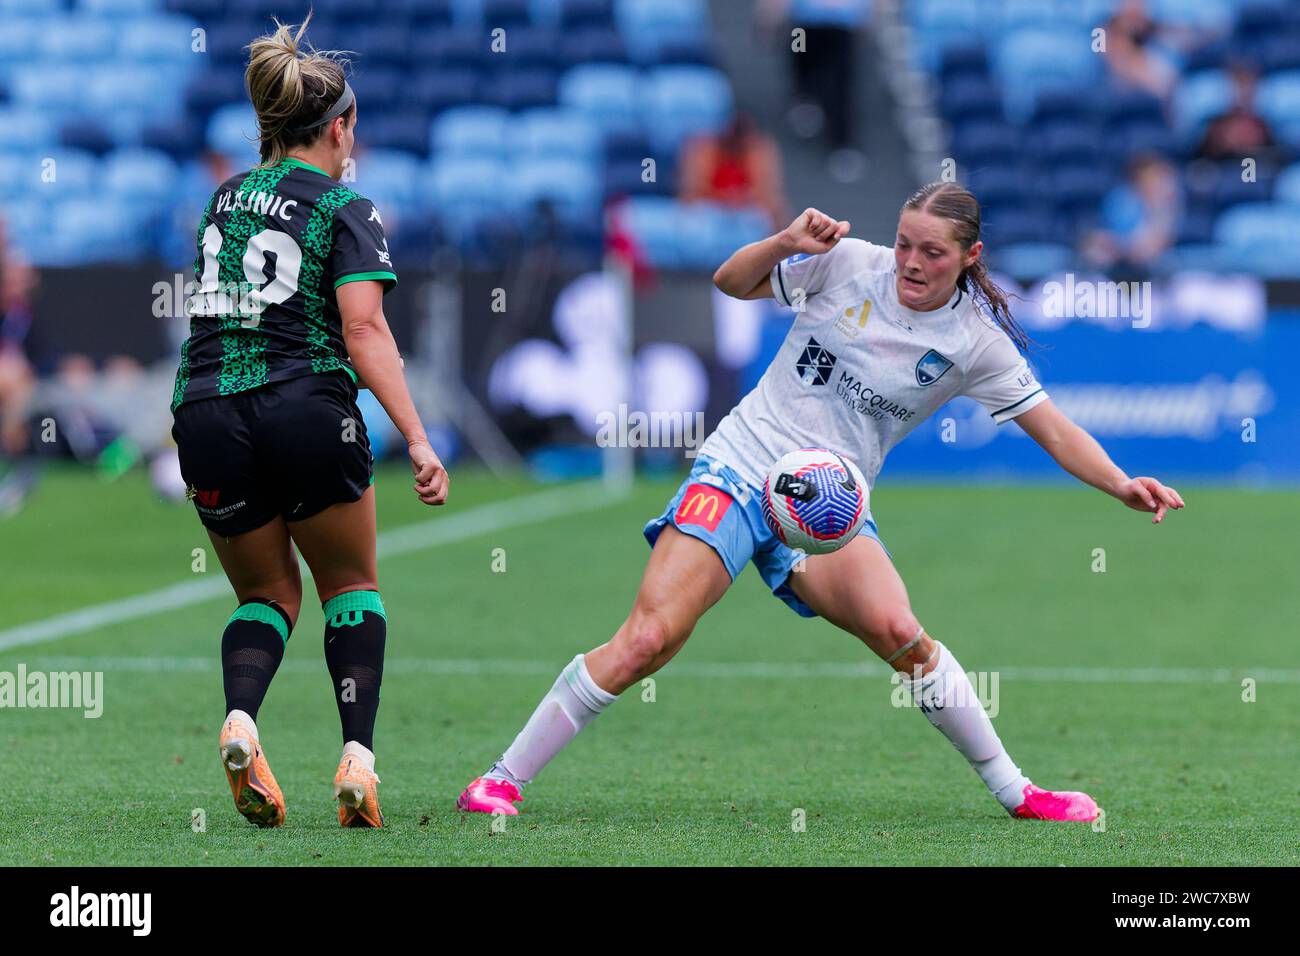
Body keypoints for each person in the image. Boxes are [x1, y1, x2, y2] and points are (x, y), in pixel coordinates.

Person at [457, 182, 1184, 823]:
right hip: (741, 469)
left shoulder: (975, 344)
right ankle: (500, 780)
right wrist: (783, 242)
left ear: (970, 255)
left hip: (829, 510)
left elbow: (1052, 428)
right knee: (649, 639)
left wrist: (1120, 481)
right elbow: (730, 281)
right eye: (904, 244)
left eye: (931, 251)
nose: (910, 262)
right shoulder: (848, 263)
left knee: (902, 632)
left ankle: (1018, 792)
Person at [170, 17, 449, 829]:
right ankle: (357, 762)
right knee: (351, 586)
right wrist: (421, 439)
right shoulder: (345, 204)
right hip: (304, 407)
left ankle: (242, 722)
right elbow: (363, 331)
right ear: (338, 129)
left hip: (207, 411)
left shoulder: (223, 199)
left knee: (264, 592)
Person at [678, 113, 787, 229]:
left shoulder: (759, 152)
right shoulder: (705, 150)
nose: (735, 145)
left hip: (747, 210)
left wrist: (741, 197)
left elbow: (766, 192)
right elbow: (694, 189)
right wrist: (723, 197)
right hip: (709, 209)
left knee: (777, 211)